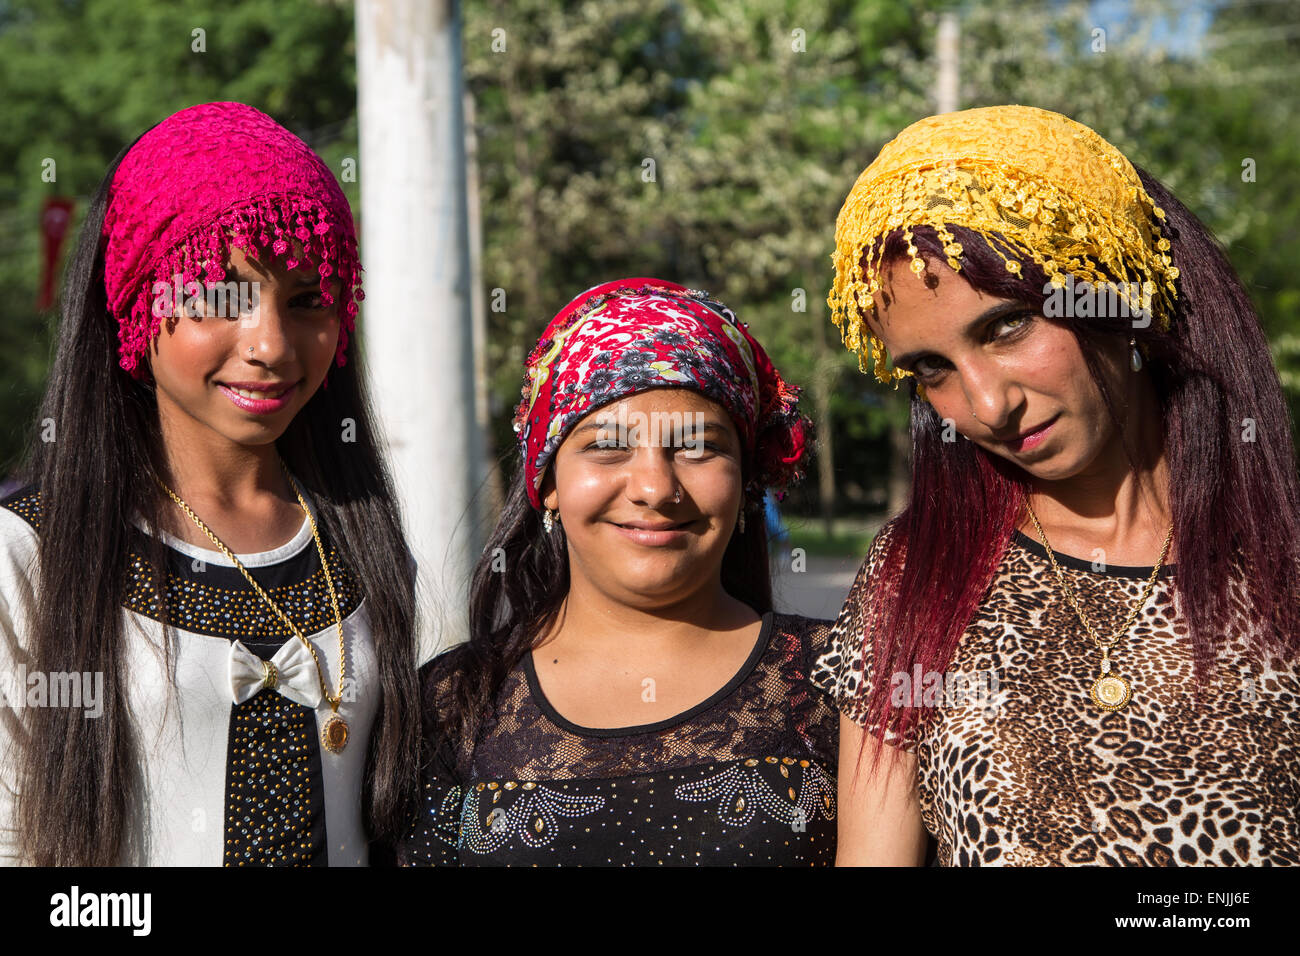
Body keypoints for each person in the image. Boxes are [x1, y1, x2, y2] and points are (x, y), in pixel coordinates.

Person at [814, 105, 1300, 866]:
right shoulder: (917, 579)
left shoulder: (1283, 560)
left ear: (1115, 290)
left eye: (1007, 327)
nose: (985, 405)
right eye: (930, 369)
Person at [0, 102, 418, 865]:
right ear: (132, 304)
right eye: (222, 295)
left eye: (308, 300)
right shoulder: (32, 553)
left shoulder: (361, 544)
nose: (270, 343)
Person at [387, 278, 836, 866]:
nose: (655, 488)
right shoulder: (445, 707)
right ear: (547, 482)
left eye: (698, 447)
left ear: (744, 479)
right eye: (608, 447)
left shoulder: (843, 681)